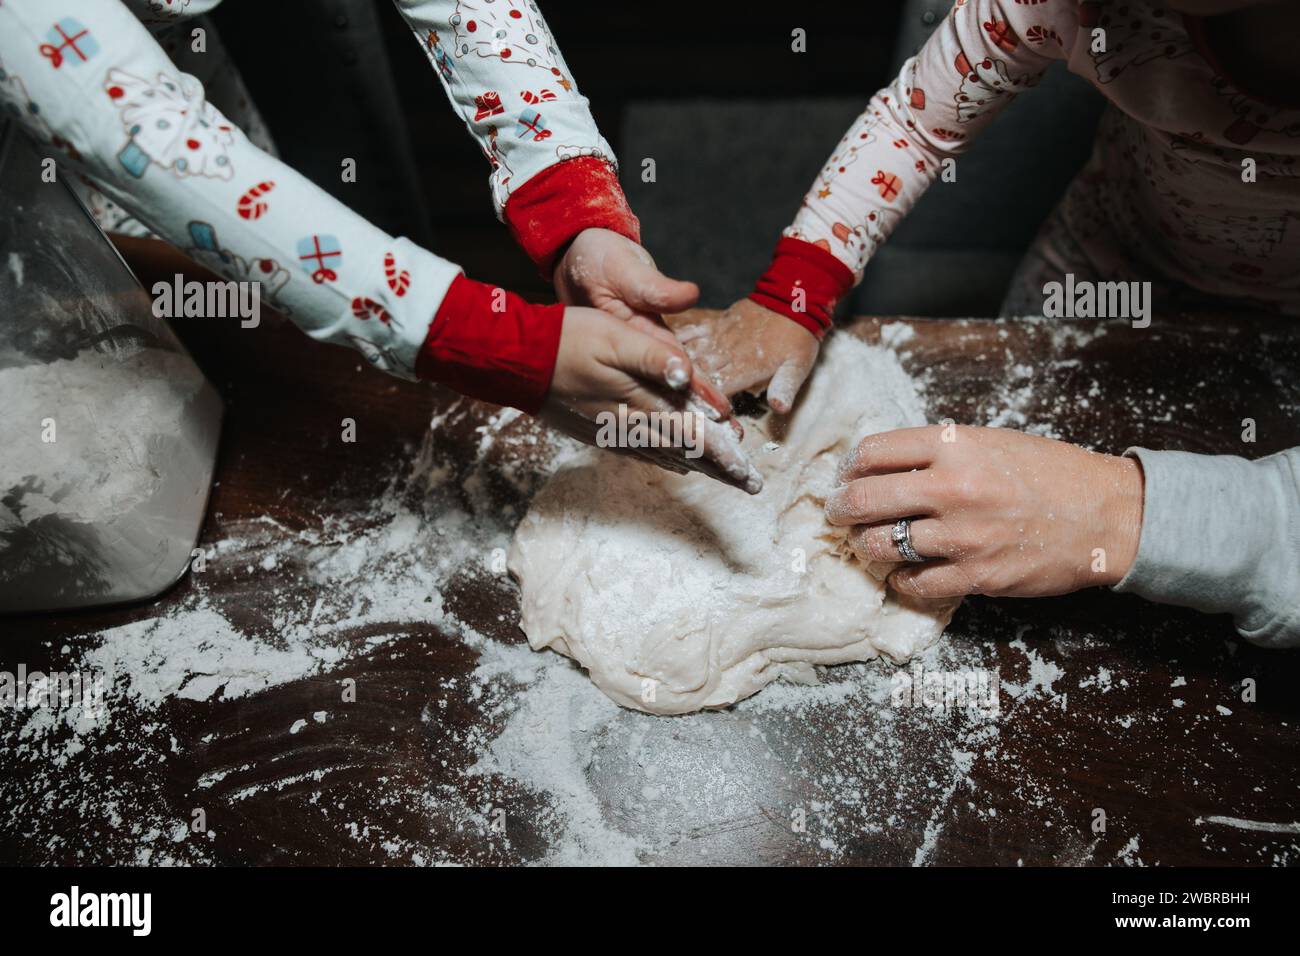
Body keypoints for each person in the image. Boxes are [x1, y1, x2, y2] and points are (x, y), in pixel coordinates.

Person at [682, 0, 1300, 644]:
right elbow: (914, 123)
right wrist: (795, 293)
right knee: (1013, 442)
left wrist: (1108, 517)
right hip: (1102, 263)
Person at [0, 0, 761, 493]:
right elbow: (140, 136)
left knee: (252, 325)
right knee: (109, 437)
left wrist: (570, 202)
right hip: (47, 146)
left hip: (181, 74)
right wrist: (494, 343)